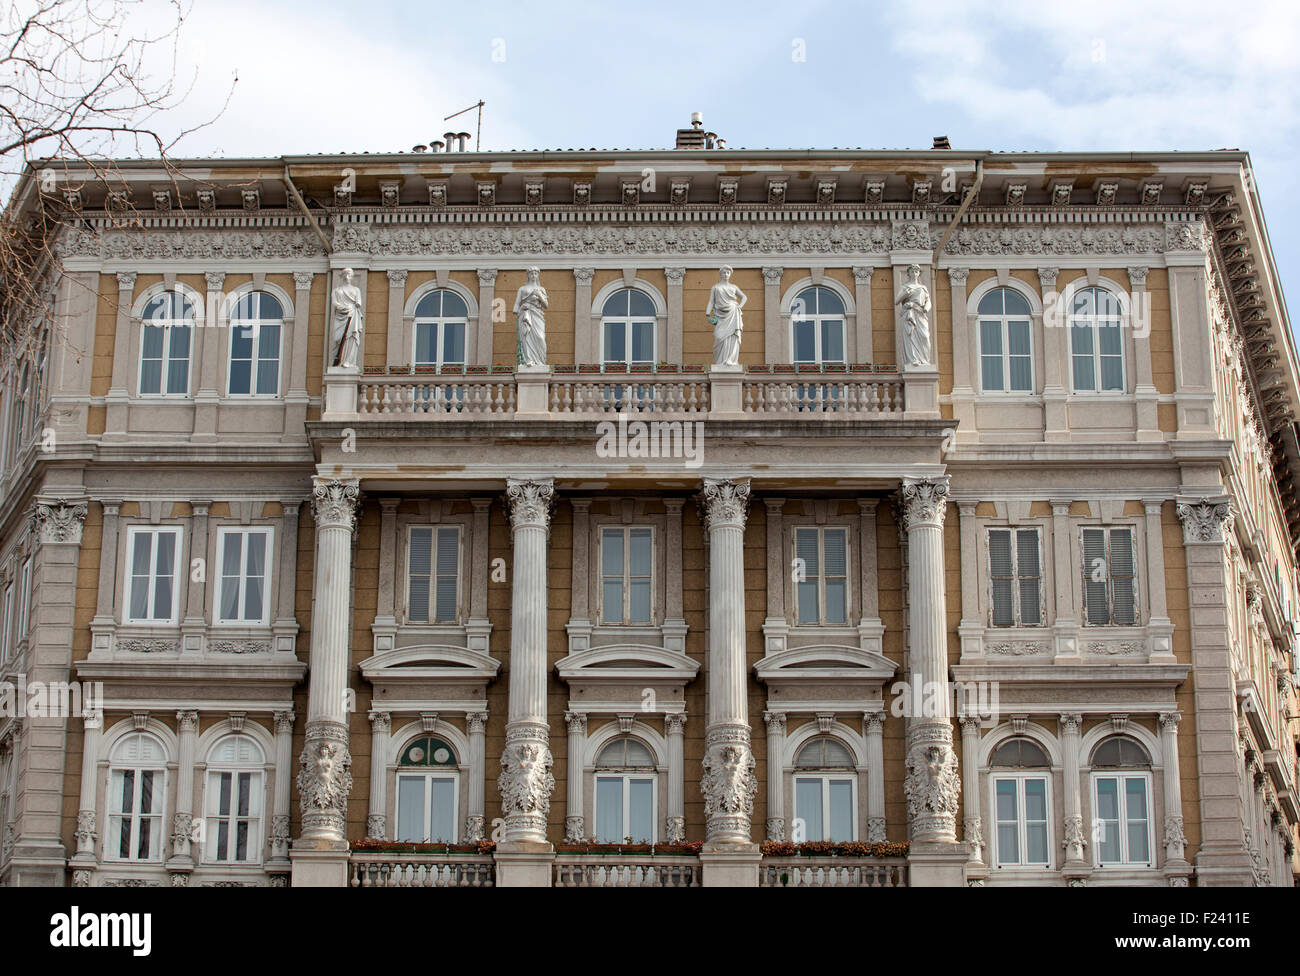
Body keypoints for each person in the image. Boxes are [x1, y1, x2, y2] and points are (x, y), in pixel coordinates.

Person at [706, 266, 746, 366]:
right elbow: (711, 301)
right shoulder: (716, 287)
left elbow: (744, 297)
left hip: (733, 312)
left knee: (732, 337)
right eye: (724, 272)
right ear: (720, 274)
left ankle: (731, 361)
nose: (726, 274)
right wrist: (707, 313)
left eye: (728, 273)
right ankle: (720, 361)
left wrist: (739, 307)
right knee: (719, 337)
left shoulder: (734, 287)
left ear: (730, 274)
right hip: (720, 315)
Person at [896, 264, 932, 366]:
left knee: (925, 337)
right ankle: (913, 360)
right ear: (908, 273)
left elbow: (928, 301)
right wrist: (905, 294)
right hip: (909, 313)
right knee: (910, 335)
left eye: (916, 271)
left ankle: (924, 360)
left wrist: (926, 308)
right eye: (912, 271)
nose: (914, 273)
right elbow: (897, 301)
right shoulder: (905, 287)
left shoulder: (923, 288)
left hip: (920, 313)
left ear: (919, 273)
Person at [514, 267, 549, 366]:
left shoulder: (541, 289)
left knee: (540, 337)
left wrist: (540, 295)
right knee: (526, 336)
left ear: (538, 275)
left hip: (537, 314)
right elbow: (517, 304)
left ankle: (540, 362)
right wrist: (518, 312)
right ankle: (528, 360)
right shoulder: (522, 289)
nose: (533, 276)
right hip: (525, 314)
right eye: (531, 274)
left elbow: (546, 305)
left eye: (535, 274)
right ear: (528, 275)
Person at [331, 267, 364, 369]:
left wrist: (350, 307)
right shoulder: (337, 290)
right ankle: (339, 360)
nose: (347, 276)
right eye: (345, 274)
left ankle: (348, 361)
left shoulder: (356, 290)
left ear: (352, 276)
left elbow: (358, 303)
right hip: (340, 316)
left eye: (349, 274)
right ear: (342, 276)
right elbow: (334, 303)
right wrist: (343, 307)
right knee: (338, 338)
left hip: (352, 314)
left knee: (351, 337)